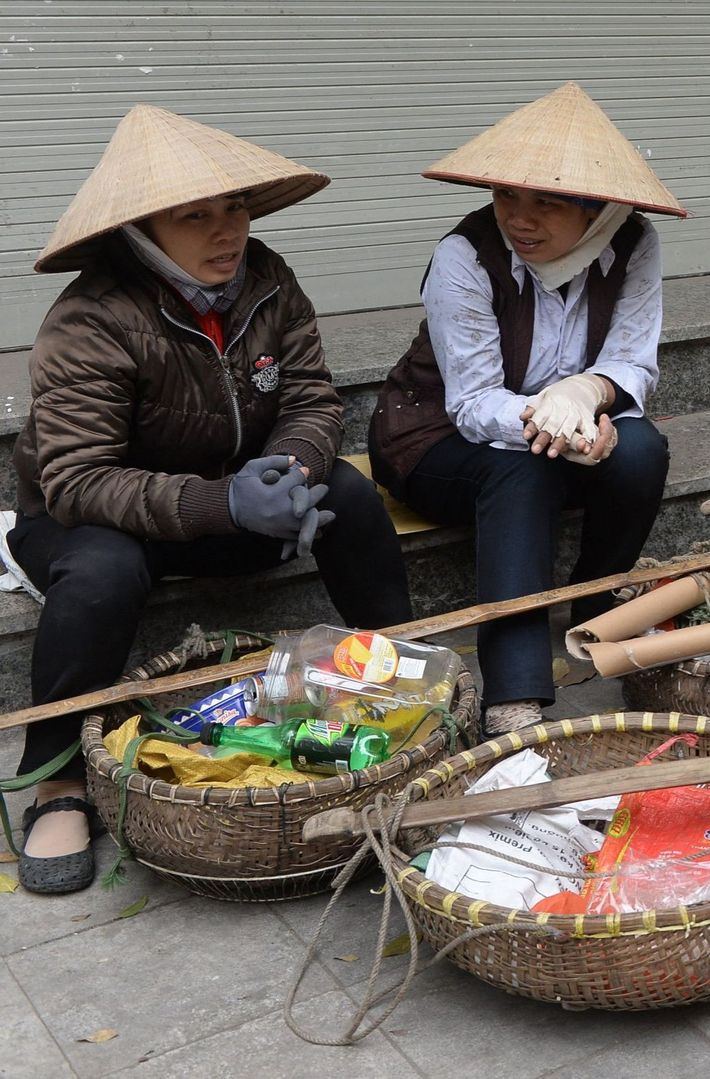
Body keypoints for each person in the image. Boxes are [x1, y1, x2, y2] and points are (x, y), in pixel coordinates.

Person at [9, 106, 412, 894]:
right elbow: (78, 476)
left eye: (233, 207)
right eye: (195, 215)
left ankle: (400, 688)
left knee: (352, 497)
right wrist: (225, 503)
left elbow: (312, 399)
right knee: (100, 573)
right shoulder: (92, 318)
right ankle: (54, 777)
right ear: (143, 227)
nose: (226, 231)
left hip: (239, 495)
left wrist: (290, 472)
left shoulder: (267, 279)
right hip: (92, 519)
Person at [368, 82, 677, 735]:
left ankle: (597, 609)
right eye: (507, 194)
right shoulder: (465, 257)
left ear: (599, 210)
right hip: (435, 438)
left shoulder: (634, 245)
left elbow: (632, 362)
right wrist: (558, 423)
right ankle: (512, 695)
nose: (520, 218)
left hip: (562, 427)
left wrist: (588, 398)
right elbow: (475, 403)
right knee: (523, 469)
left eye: (548, 202)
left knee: (644, 449)